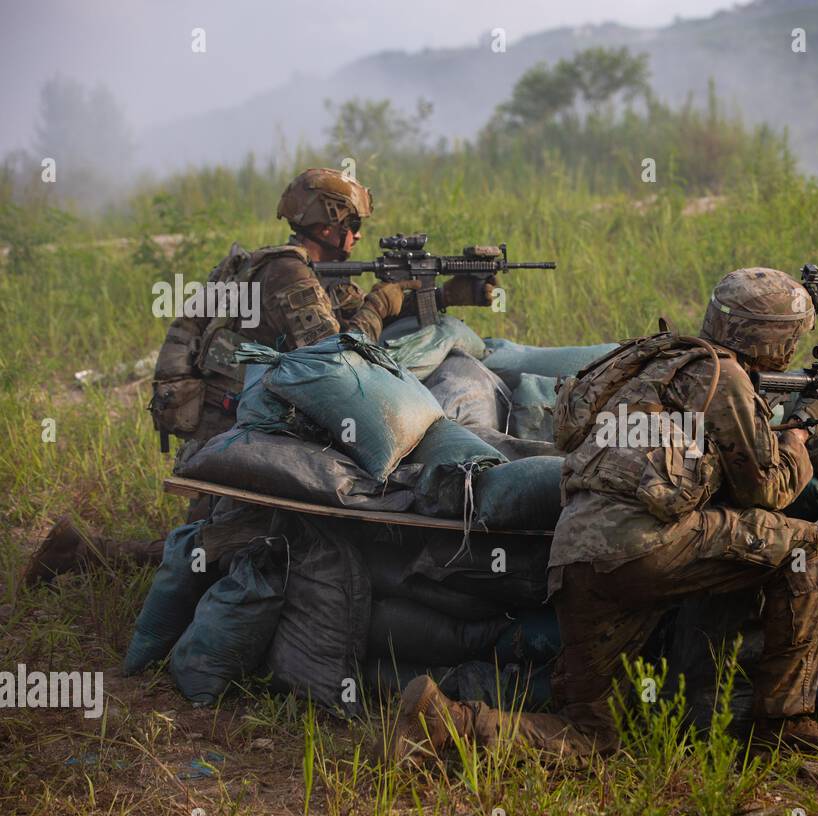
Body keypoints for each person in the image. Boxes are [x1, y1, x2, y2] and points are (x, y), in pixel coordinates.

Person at [391, 267, 818, 761]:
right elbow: (766, 490)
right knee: (807, 545)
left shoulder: (652, 363)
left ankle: (445, 723)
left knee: (590, 734)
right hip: (646, 550)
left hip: (578, 558)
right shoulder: (724, 376)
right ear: (775, 337)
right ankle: (784, 721)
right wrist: (797, 439)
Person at [22, 168, 490, 587]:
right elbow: (332, 361)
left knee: (227, 542)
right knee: (218, 550)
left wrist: (444, 294)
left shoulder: (309, 273)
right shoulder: (287, 274)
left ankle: (88, 552)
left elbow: (349, 314)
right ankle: (79, 553)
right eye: (353, 226)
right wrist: (378, 303)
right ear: (327, 224)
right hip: (227, 430)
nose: (358, 238)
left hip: (240, 422)